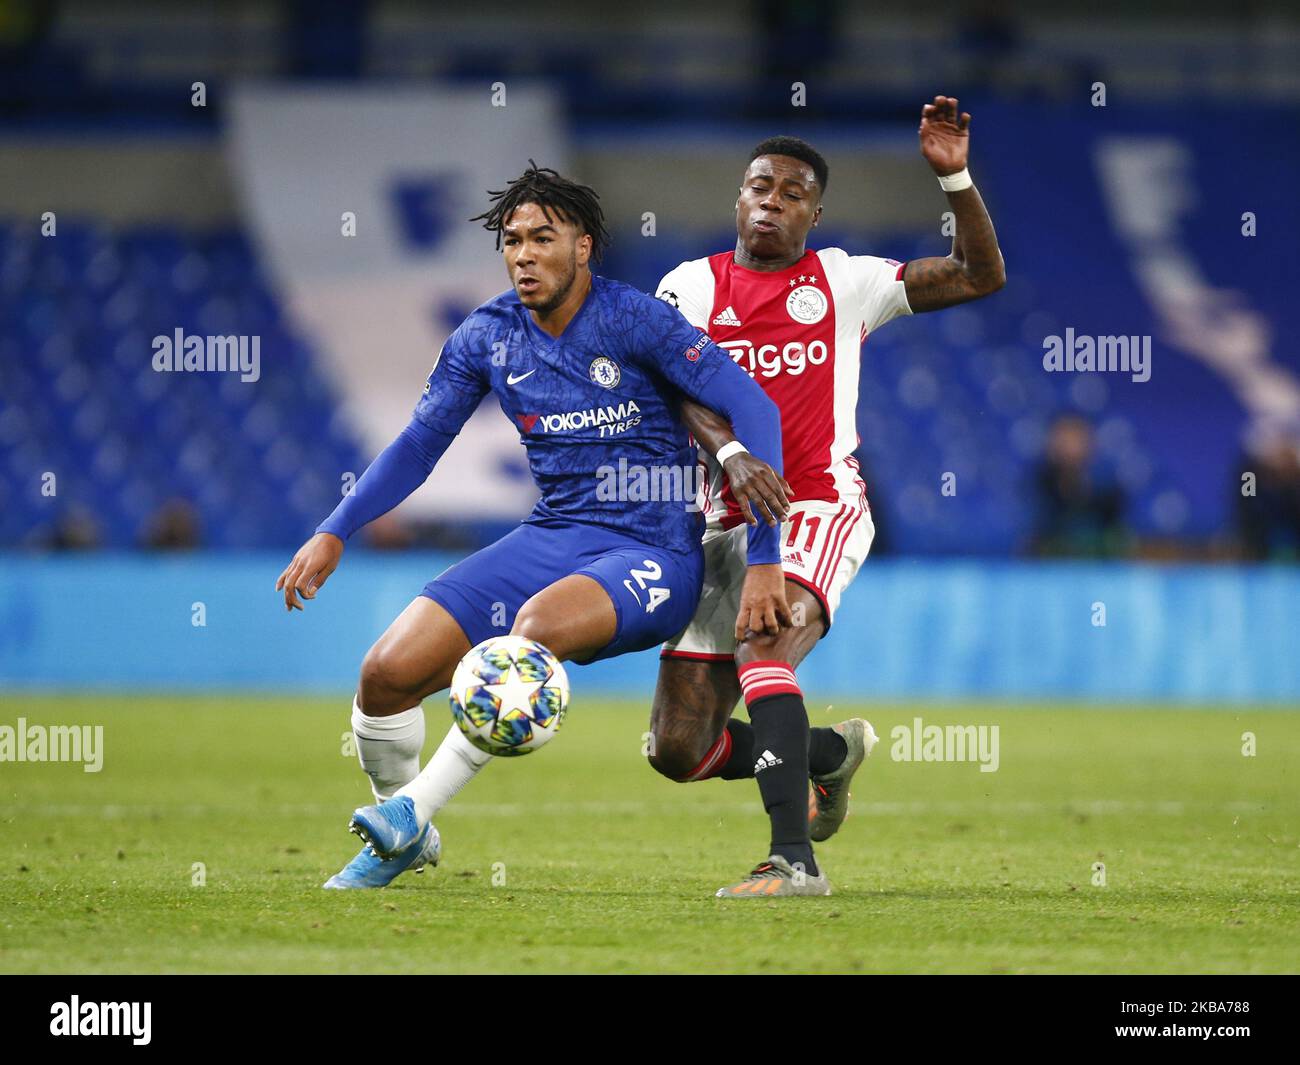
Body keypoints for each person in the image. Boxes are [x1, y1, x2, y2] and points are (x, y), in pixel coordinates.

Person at [275, 163, 788, 889]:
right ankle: (405, 827)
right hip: (553, 535)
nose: (522, 254)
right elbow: (420, 445)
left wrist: (765, 556)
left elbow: (755, 407)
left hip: (654, 551)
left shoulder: (634, 319)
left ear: (582, 246)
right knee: (384, 676)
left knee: (535, 626)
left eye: (541, 238)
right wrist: (335, 529)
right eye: (512, 241)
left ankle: (408, 815)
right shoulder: (487, 336)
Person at [648, 97, 1007, 897]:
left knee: (763, 649)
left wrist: (954, 178)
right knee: (676, 747)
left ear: (815, 210)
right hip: (723, 522)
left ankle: (794, 862)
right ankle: (824, 755)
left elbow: (982, 274)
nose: (770, 201)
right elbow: (681, 392)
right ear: (739, 197)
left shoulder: (845, 281)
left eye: (790, 192)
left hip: (817, 506)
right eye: (758, 186)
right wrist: (734, 456)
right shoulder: (691, 286)